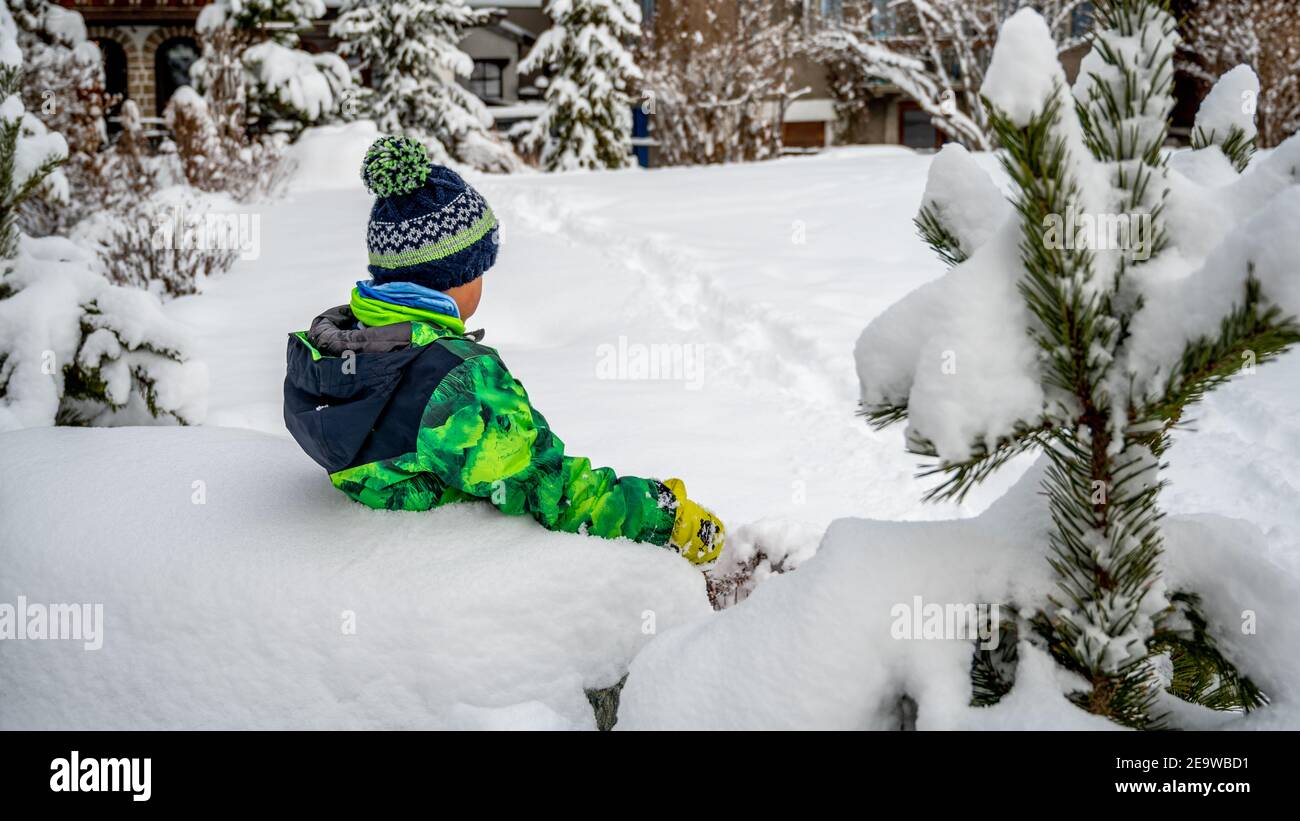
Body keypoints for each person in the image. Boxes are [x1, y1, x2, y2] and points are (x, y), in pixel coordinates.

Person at [283, 136, 725, 567]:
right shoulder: (457, 381)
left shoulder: (341, 345)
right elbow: (548, 487)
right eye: (479, 269)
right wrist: (666, 518)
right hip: (456, 574)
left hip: (380, 548)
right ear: (453, 278)